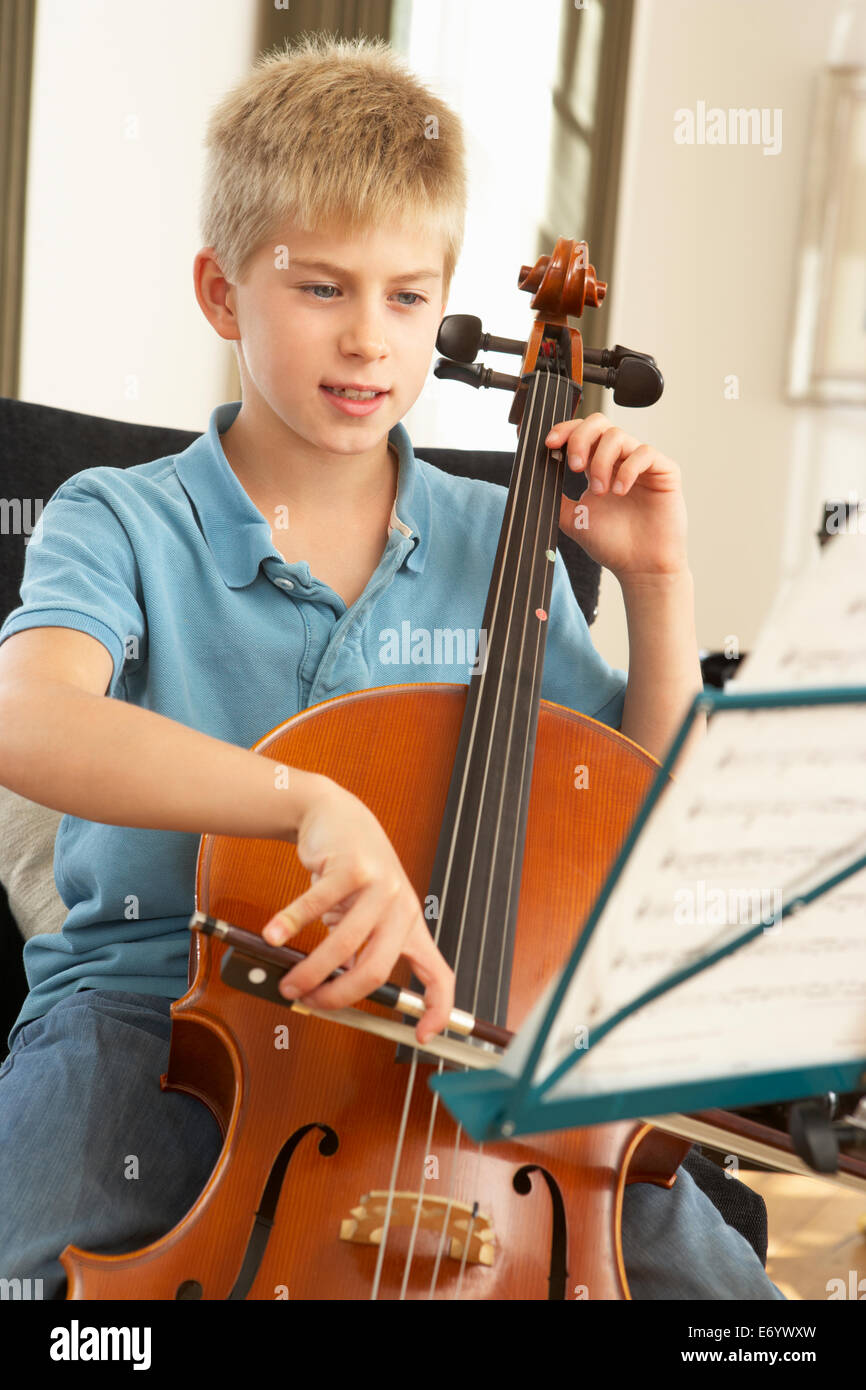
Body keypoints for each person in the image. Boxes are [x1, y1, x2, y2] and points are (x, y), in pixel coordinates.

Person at [0, 33, 783, 1301]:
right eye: (319, 289)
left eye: (407, 298)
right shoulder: (122, 518)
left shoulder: (499, 545)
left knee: (734, 1313)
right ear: (219, 292)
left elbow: (640, 825)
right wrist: (308, 802)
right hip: (152, 1020)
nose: (369, 339)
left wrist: (654, 585)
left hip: (459, 1048)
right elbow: (29, 720)